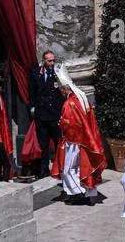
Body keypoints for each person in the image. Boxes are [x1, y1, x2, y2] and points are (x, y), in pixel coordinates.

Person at [50, 64, 105, 205]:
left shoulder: (69, 103)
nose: (61, 92)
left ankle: (77, 194)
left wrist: (61, 123)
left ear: (65, 88)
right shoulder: (81, 96)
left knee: (68, 169)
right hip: (85, 139)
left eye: (61, 89)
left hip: (74, 141)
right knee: (82, 167)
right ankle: (85, 192)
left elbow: (70, 124)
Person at [27, 50, 65, 176]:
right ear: (43, 61)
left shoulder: (58, 73)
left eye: (53, 60)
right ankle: (44, 168)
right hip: (41, 113)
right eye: (49, 61)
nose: (52, 63)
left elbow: (63, 92)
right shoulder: (35, 73)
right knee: (43, 143)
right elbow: (32, 92)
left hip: (54, 113)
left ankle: (60, 166)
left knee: (58, 141)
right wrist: (32, 107)